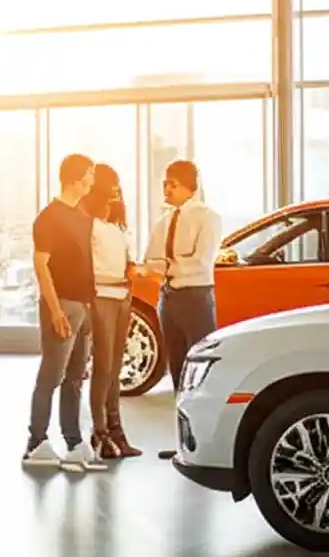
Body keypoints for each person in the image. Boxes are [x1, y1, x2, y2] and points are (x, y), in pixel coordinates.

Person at [22, 154, 106, 472]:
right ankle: (36, 442)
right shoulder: (48, 218)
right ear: (73, 178)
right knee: (51, 376)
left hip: (83, 306)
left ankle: (73, 441)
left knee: (74, 379)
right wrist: (55, 310)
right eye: (88, 175)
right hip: (62, 305)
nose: (91, 181)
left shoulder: (82, 217)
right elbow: (41, 266)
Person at [141, 159, 223, 460]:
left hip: (196, 297)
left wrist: (164, 267)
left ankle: (208, 443)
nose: (166, 188)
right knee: (176, 368)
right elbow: (150, 260)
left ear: (190, 186)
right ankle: (183, 444)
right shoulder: (162, 222)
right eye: (165, 182)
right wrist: (164, 269)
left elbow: (201, 261)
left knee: (201, 370)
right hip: (169, 297)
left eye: (172, 183)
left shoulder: (208, 218)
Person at [81, 164, 143, 459]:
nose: (117, 188)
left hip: (123, 297)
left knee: (115, 368)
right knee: (103, 368)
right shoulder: (88, 223)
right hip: (102, 297)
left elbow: (127, 259)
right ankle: (100, 433)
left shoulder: (117, 224)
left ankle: (117, 431)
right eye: (113, 182)